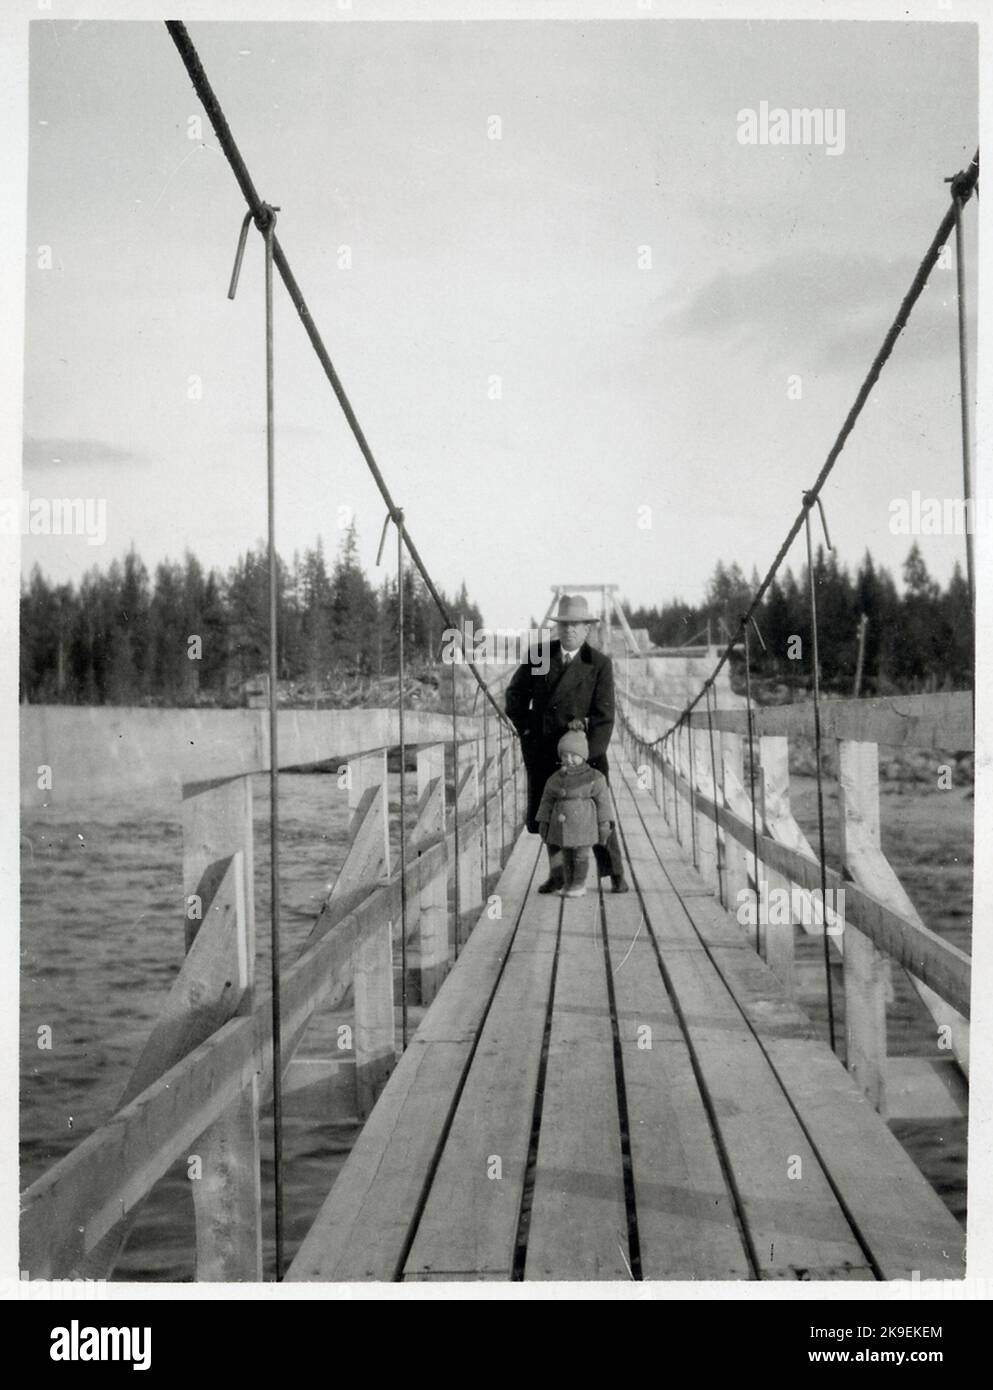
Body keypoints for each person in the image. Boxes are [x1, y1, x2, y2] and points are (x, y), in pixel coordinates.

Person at [505, 593, 629, 893]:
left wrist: (589, 752)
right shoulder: (540, 655)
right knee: (550, 813)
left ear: (587, 628)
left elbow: (604, 715)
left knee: (596, 810)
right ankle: (558, 874)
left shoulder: (599, 664)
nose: (570, 630)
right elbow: (514, 697)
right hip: (545, 749)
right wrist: (528, 730)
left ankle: (614, 872)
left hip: (585, 753)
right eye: (565, 625)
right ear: (558, 628)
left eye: (577, 625)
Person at [535, 730, 612, 897]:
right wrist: (543, 821)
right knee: (567, 856)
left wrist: (604, 823)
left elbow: (603, 803)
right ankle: (568, 883)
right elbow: (547, 800)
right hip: (562, 826)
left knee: (580, 856)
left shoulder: (594, 777)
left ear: (583, 756)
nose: (568, 760)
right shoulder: (555, 778)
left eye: (574, 755)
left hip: (584, 823)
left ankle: (578, 884)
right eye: (564, 756)